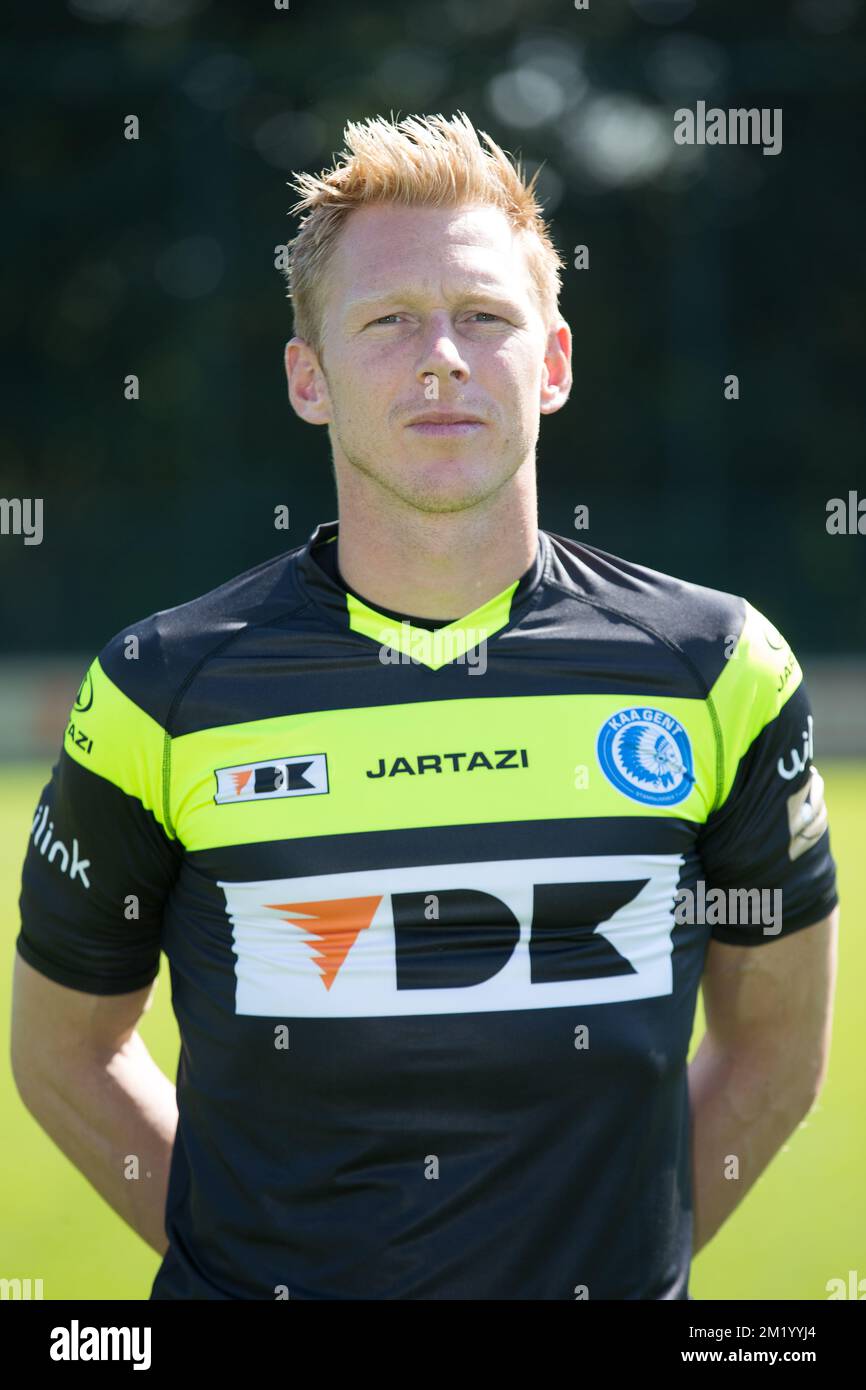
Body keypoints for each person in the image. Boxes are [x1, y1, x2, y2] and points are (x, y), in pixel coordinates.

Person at [11, 112, 838, 1300]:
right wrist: (245, 1273)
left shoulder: (718, 669)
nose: (441, 356)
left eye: (483, 318)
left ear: (550, 362)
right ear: (309, 376)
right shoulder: (158, 689)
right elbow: (62, 1053)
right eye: (389, 321)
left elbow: (772, 1048)